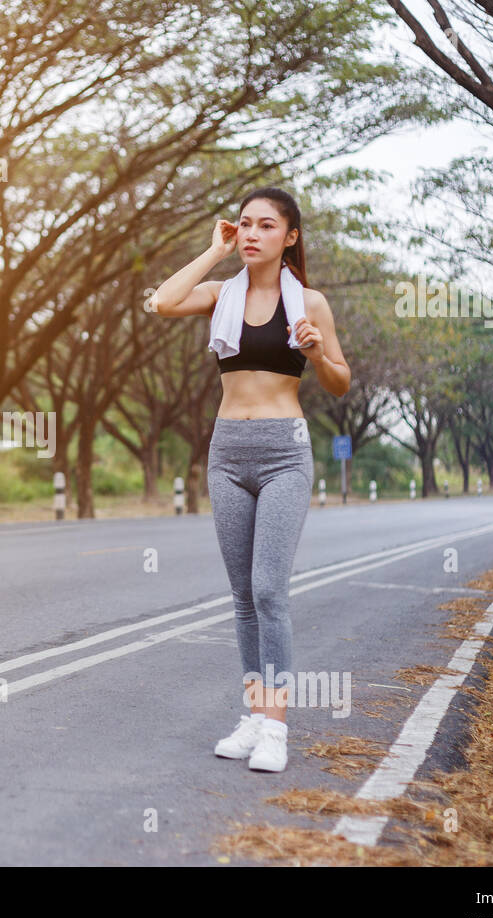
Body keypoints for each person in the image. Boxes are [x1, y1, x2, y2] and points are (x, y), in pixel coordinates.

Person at [148, 187, 350, 772]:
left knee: (268, 591)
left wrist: (315, 353)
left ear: (290, 236)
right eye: (244, 224)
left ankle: (277, 731)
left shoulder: (309, 303)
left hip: (284, 450)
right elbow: (161, 302)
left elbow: (340, 382)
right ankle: (254, 714)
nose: (253, 233)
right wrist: (213, 251)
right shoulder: (220, 295)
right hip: (229, 451)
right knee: (242, 598)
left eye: (267, 225)